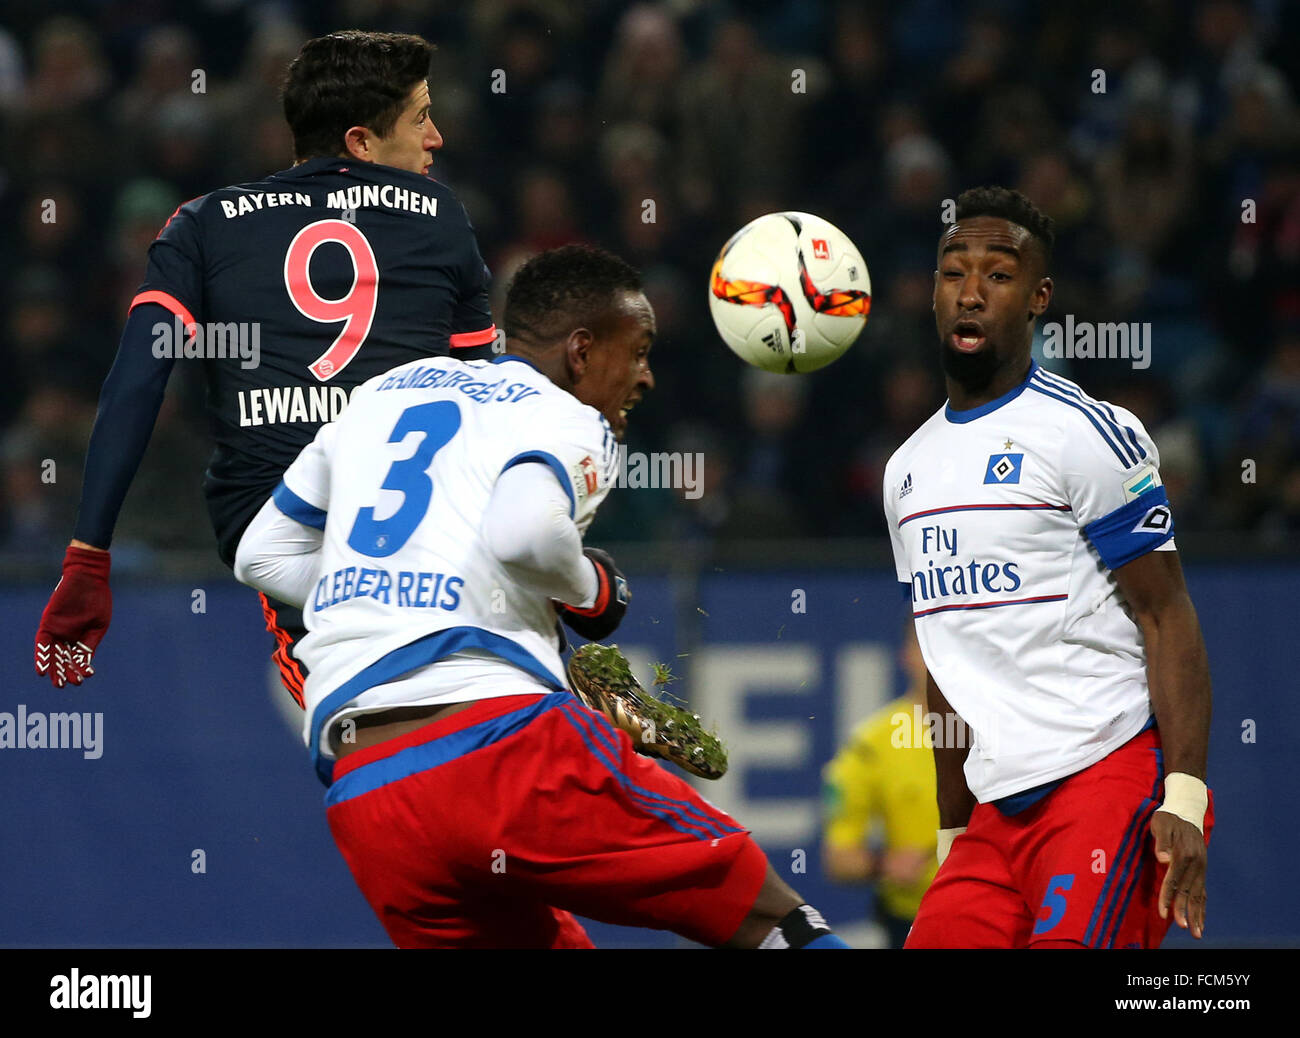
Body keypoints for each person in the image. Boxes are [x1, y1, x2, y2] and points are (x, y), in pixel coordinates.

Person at [234, 245, 850, 949]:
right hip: (497, 748)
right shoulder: (565, 415)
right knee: (772, 920)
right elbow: (525, 534)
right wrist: (593, 589)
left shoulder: (384, 393)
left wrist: (398, 594)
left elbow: (263, 555)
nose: (646, 376)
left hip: (368, 791)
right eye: (638, 351)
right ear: (582, 351)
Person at [34, 31, 496, 705]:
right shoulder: (444, 218)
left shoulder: (203, 224)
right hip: (422, 545)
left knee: (377, 743)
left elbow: (136, 382)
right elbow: (485, 402)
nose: (437, 138)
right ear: (362, 142)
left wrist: (88, 553)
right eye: (421, 118)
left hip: (288, 549)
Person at [885, 187, 1214, 949]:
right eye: (953, 273)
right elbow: (947, 660)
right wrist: (951, 830)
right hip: (994, 815)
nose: (971, 292)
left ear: (1038, 298)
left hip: (1107, 776)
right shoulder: (905, 470)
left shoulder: (1085, 433)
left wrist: (1186, 797)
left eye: (998, 275)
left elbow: (1167, 613)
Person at [821, 620, 938, 948]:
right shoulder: (870, 745)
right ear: (907, 655)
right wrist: (885, 863)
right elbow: (839, 858)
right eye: (926, 644)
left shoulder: (998, 728)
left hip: (999, 912)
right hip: (912, 921)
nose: (938, 655)